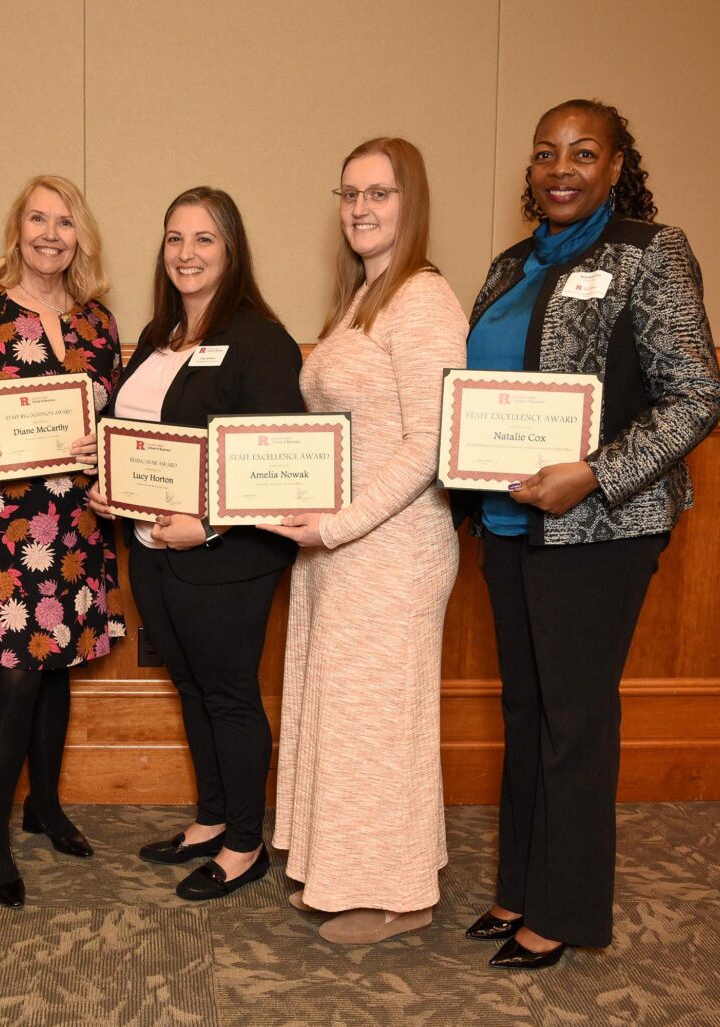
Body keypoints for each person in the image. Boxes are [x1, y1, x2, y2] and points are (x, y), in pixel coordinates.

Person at [458, 100, 720, 969]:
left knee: (574, 717)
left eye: (582, 153)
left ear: (615, 167)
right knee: (526, 710)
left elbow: (696, 396)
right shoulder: (507, 265)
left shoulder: (651, 253)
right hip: (508, 523)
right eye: (544, 154)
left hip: (601, 526)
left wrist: (595, 473)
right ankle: (519, 886)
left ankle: (564, 911)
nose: (560, 168)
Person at [262, 138, 467, 943]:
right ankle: (343, 868)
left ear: (409, 202)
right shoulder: (364, 297)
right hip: (338, 548)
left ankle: (401, 893)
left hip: (390, 547)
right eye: (349, 193)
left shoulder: (421, 299)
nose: (361, 208)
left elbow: (429, 442)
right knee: (344, 716)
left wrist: (338, 523)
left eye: (379, 193)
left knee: (381, 722)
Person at [89, 187, 304, 901]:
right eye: (175, 238)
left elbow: (275, 459)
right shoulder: (157, 336)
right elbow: (141, 437)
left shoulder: (259, 339)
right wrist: (110, 481)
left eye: (204, 238)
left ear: (231, 249)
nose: (186, 252)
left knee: (230, 694)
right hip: (151, 550)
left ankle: (246, 843)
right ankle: (212, 818)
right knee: (190, 686)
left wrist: (209, 522)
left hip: (226, 557)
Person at [0, 175, 125, 908]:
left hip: (74, 524)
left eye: (66, 221)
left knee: (56, 670)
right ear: (17, 227)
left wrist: (99, 451)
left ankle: (44, 805)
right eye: (38, 218)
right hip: (3, 526)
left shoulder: (97, 323)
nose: (51, 232)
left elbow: (113, 422)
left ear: (81, 236)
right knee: (13, 678)